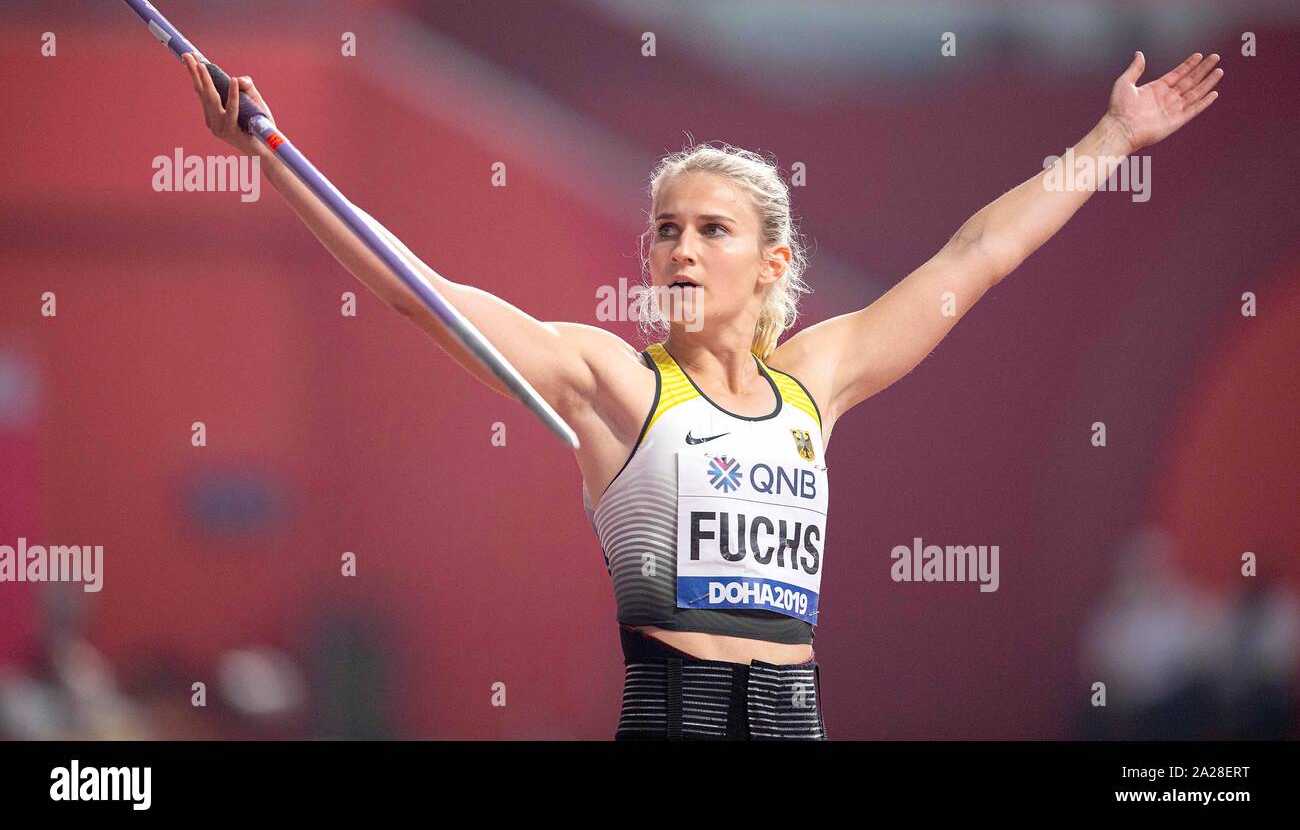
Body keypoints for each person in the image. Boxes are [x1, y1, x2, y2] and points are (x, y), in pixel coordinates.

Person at [182, 49, 1223, 739]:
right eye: (666, 229)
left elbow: (980, 252)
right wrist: (275, 154)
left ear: (772, 262)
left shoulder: (818, 378)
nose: (679, 246)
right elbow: (426, 296)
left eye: (710, 229)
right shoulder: (617, 382)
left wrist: (1110, 141)